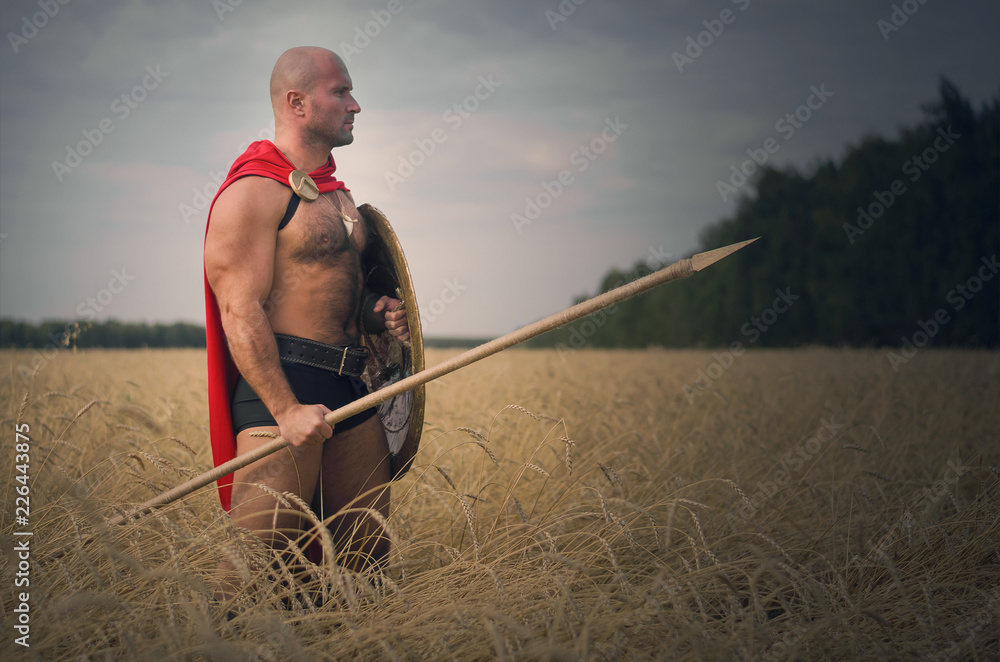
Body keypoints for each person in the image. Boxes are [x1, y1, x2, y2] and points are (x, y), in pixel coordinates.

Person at [203, 46, 409, 603]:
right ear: (297, 102)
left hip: (351, 385)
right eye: (340, 92)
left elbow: (337, 293)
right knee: (247, 579)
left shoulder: (337, 196)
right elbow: (239, 310)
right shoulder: (254, 192)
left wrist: (375, 312)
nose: (355, 105)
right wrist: (285, 409)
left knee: (366, 572)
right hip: (284, 385)